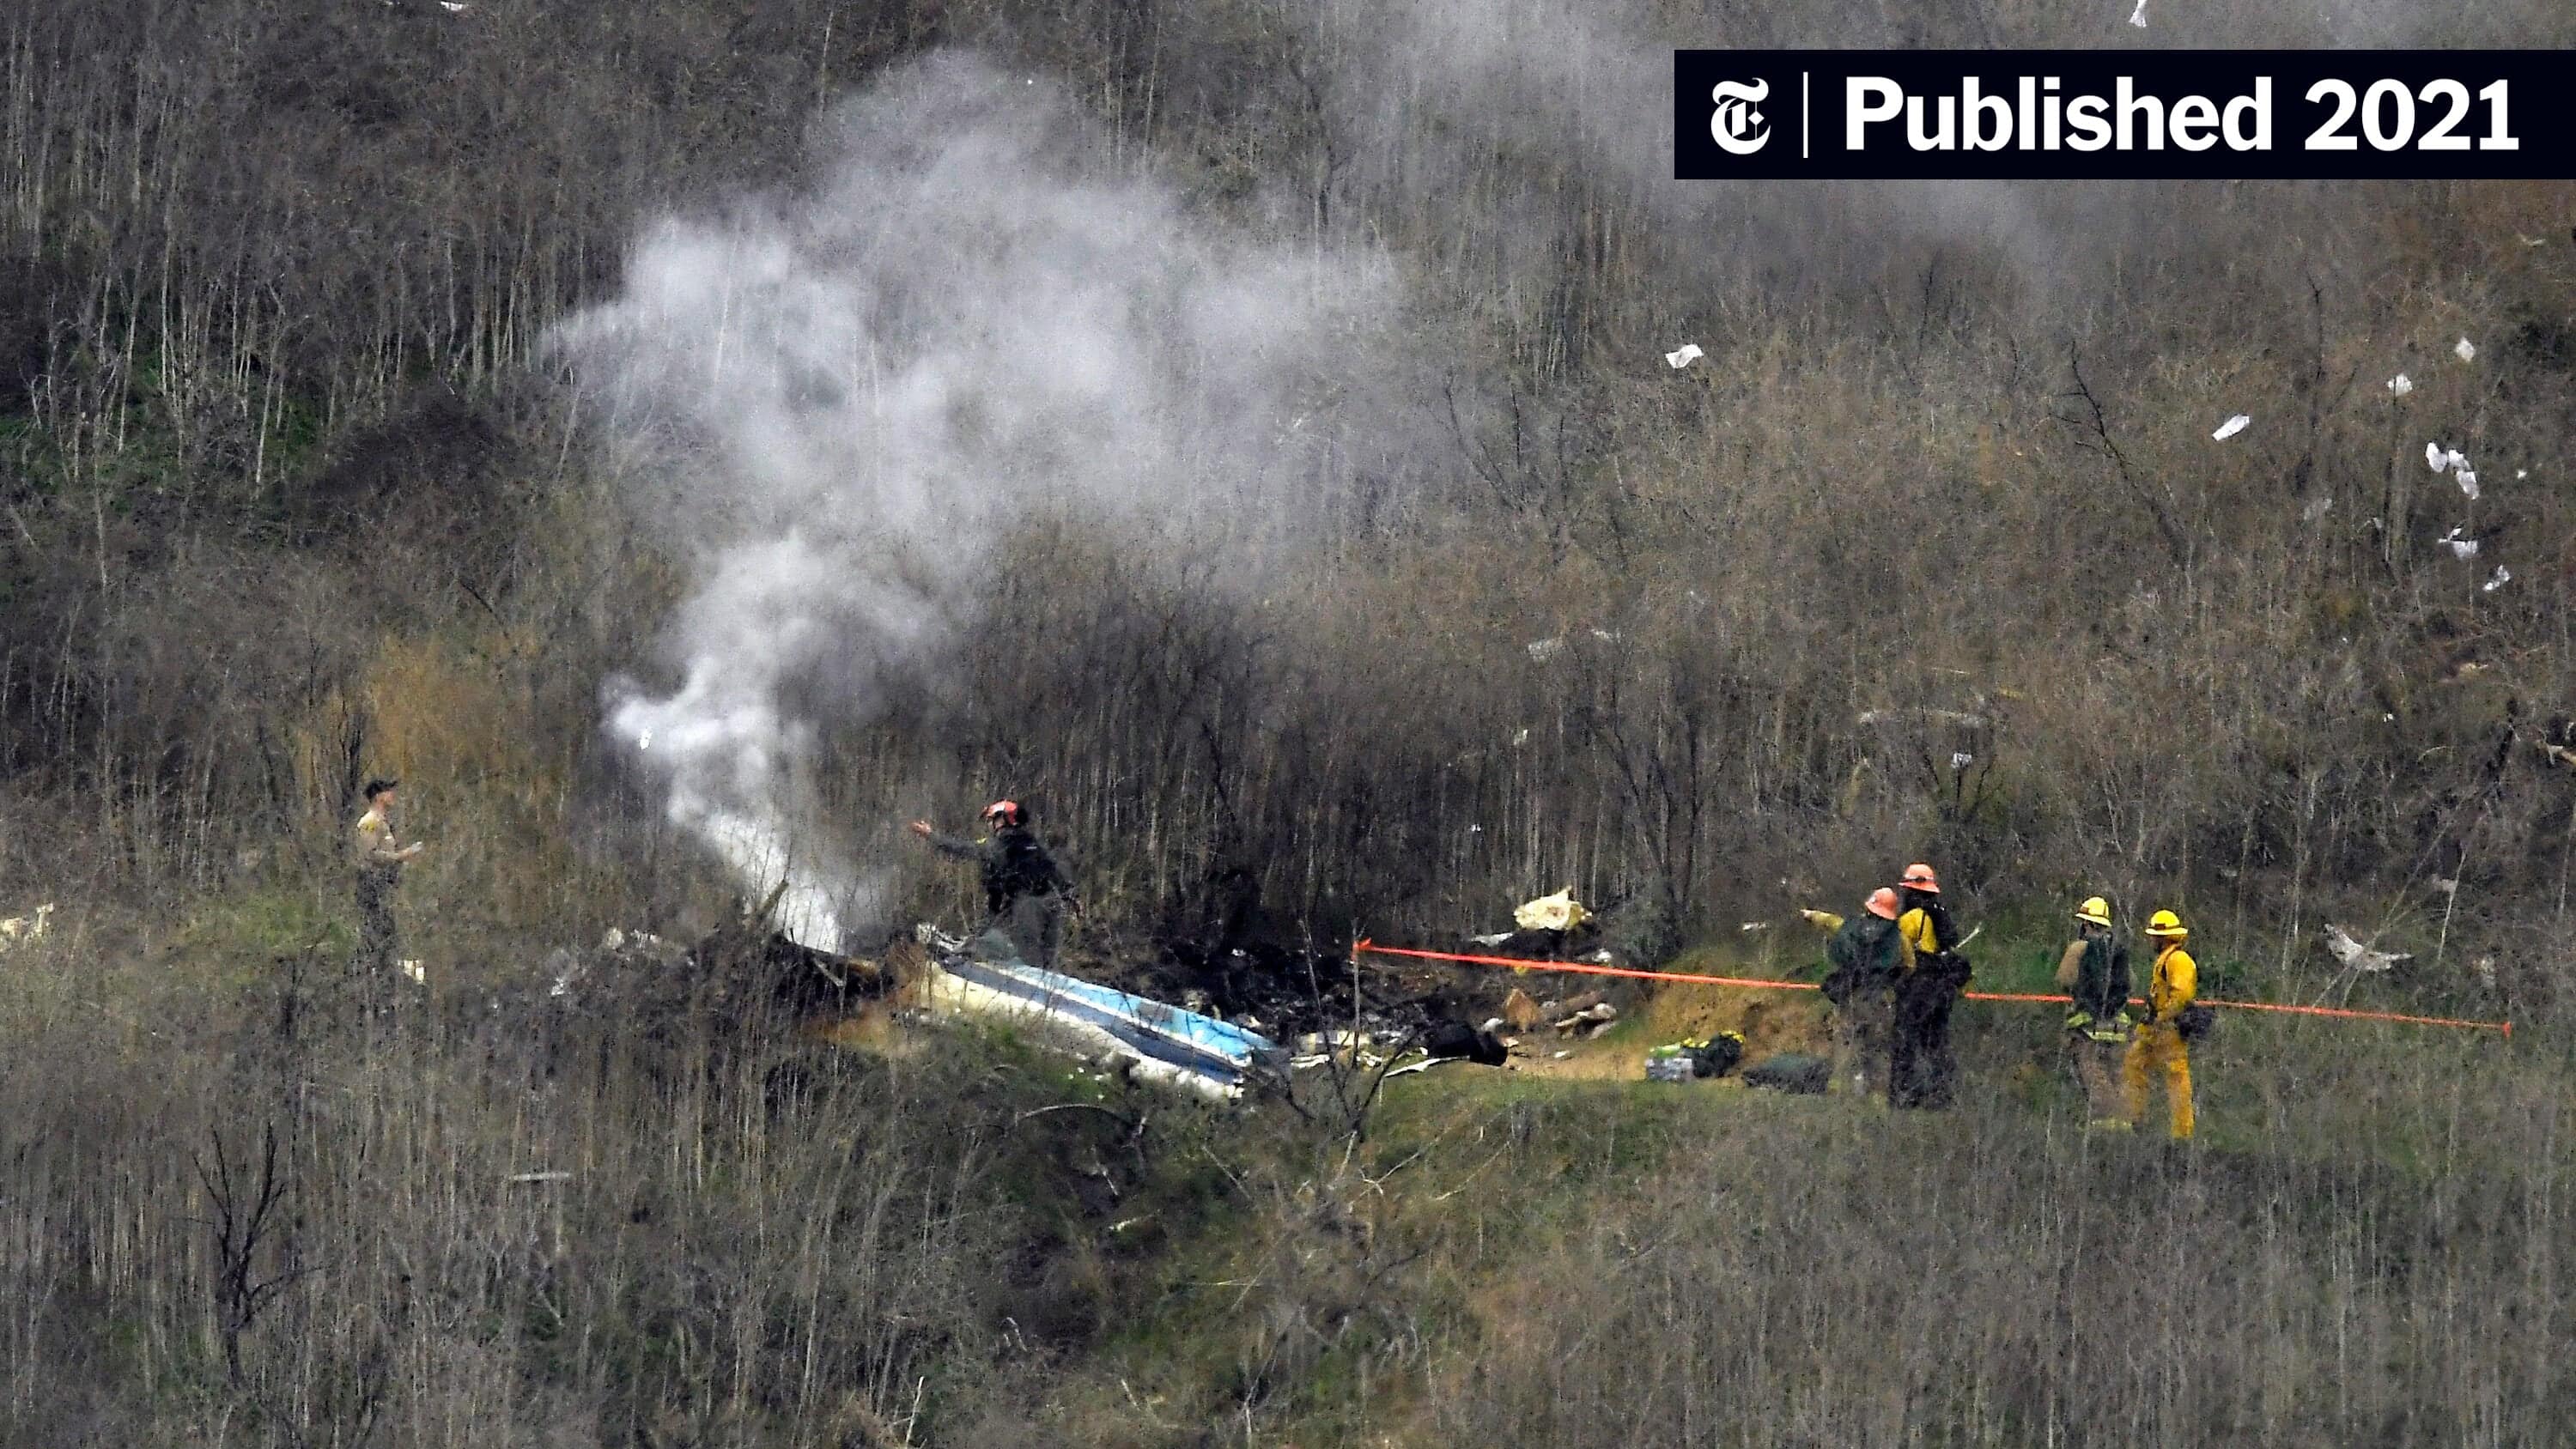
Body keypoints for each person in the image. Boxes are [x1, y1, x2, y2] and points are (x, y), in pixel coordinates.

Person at [908, 799, 1080, 972]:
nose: (990, 824)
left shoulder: (999, 844)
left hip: (1029, 904)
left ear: (1003, 820)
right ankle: (1052, 991)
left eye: (992, 820)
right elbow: (1052, 869)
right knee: (1049, 958)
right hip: (1053, 901)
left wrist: (931, 835)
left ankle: (1026, 990)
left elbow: (962, 848)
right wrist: (1069, 894)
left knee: (1030, 957)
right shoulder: (1032, 841)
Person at [1889, 862, 1971, 1109]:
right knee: (1936, 1044)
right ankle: (1943, 1096)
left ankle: (1904, 1096)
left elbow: (1897, 950)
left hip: (1919, 987)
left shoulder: (1913, 918)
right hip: (1942, 987)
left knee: (1906, 1042)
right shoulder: (1941, 914)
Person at [1821, 887, 1909, 1103]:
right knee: (1878, 1047)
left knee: (1845, 1043)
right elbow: (1909, 965)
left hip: (1850, 995)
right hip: (1878, 998)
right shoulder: (1897, 936)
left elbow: (1834, 941)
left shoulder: (1851, 928)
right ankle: (1878, 1098)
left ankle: (1838, 1093)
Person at [2057, 895, 2133, 1129]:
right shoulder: (2118, 949)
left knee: (2093, 1071)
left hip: (2087, 1024)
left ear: (2086, 924)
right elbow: (2131, 982)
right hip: (2117, 1026)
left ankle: (2104, 1123)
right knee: (2118, 1074)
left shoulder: (2079, 948)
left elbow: (2065, 979)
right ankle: (2125, 1121)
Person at [2125, 908, 2199, 1141]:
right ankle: (2136, 1120)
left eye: (2154, 936)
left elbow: (2182, 995)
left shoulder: (2178, 960)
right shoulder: (2166, 960)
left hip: (2169, 1030)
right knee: (2133, 1065)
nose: (2151, 940)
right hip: (2155, 1030)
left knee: (2176, 1079)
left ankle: (2182, 1133)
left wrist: (2163, 1018)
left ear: (2164, 937)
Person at [351, 778, 428, 977]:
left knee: (386, 931)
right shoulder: (369, 823)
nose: (392, 795)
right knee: (376, 931)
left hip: (383, 885)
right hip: (372, 885)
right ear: (377, 796)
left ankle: (383, 971)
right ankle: (365, 972)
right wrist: (403, 855)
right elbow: (371, 854)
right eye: (387, 791)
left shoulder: (383, 823)